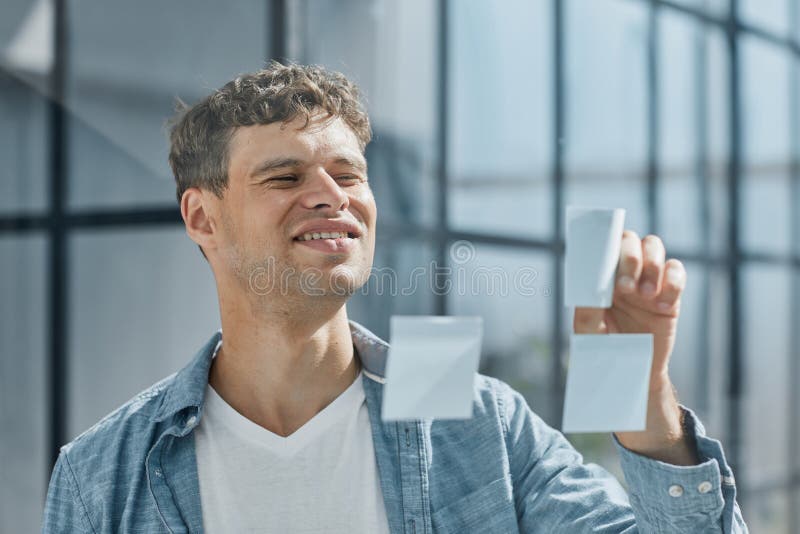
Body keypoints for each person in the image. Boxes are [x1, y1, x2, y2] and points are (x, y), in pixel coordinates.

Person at [42, 62, 748, 533]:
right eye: (285, 178)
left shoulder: (476, 419)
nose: (331, 197)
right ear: (203, 218)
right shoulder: (103, 475)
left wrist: (639, 398)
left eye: (348, 175)